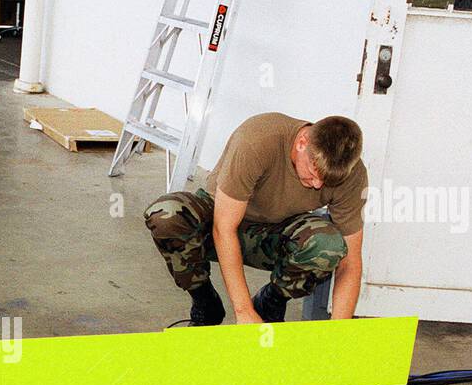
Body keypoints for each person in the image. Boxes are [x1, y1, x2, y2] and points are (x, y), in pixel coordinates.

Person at [144, 113, 367, 325]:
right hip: (218, 221)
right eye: (313, 171)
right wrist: (243, 312)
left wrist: (340, 334)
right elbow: (224, 228)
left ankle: (271, 302)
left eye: (326, 181)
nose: (318, 185)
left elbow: (351, 262)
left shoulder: (351, 174)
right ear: (302, 142)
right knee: (167, 215)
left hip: (274, 233)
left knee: (328, 244)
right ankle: (204, 301)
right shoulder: (258, 139)